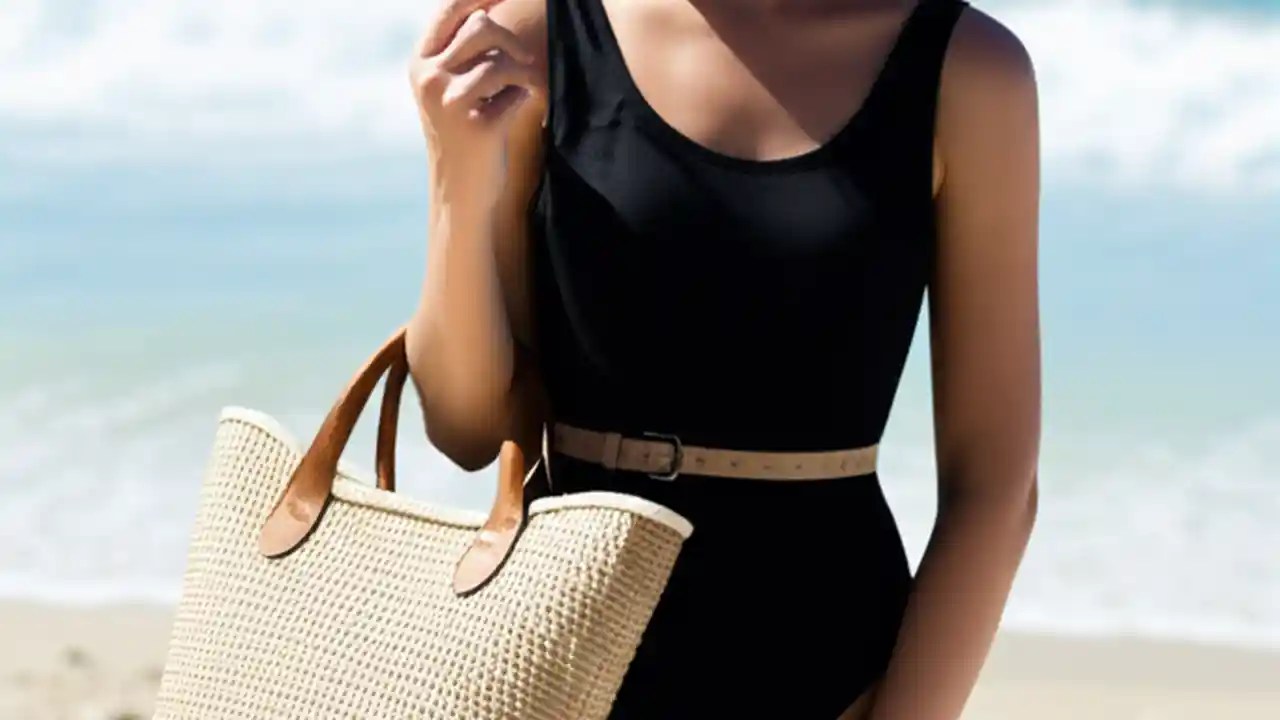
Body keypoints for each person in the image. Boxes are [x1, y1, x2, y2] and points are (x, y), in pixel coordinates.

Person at [405, 0, 1041, 717]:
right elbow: (467, 430)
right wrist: (454, 173)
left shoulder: (968, 71)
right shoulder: (538, 33)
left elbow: (995, 487)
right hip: (561, 668)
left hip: (827, 678)